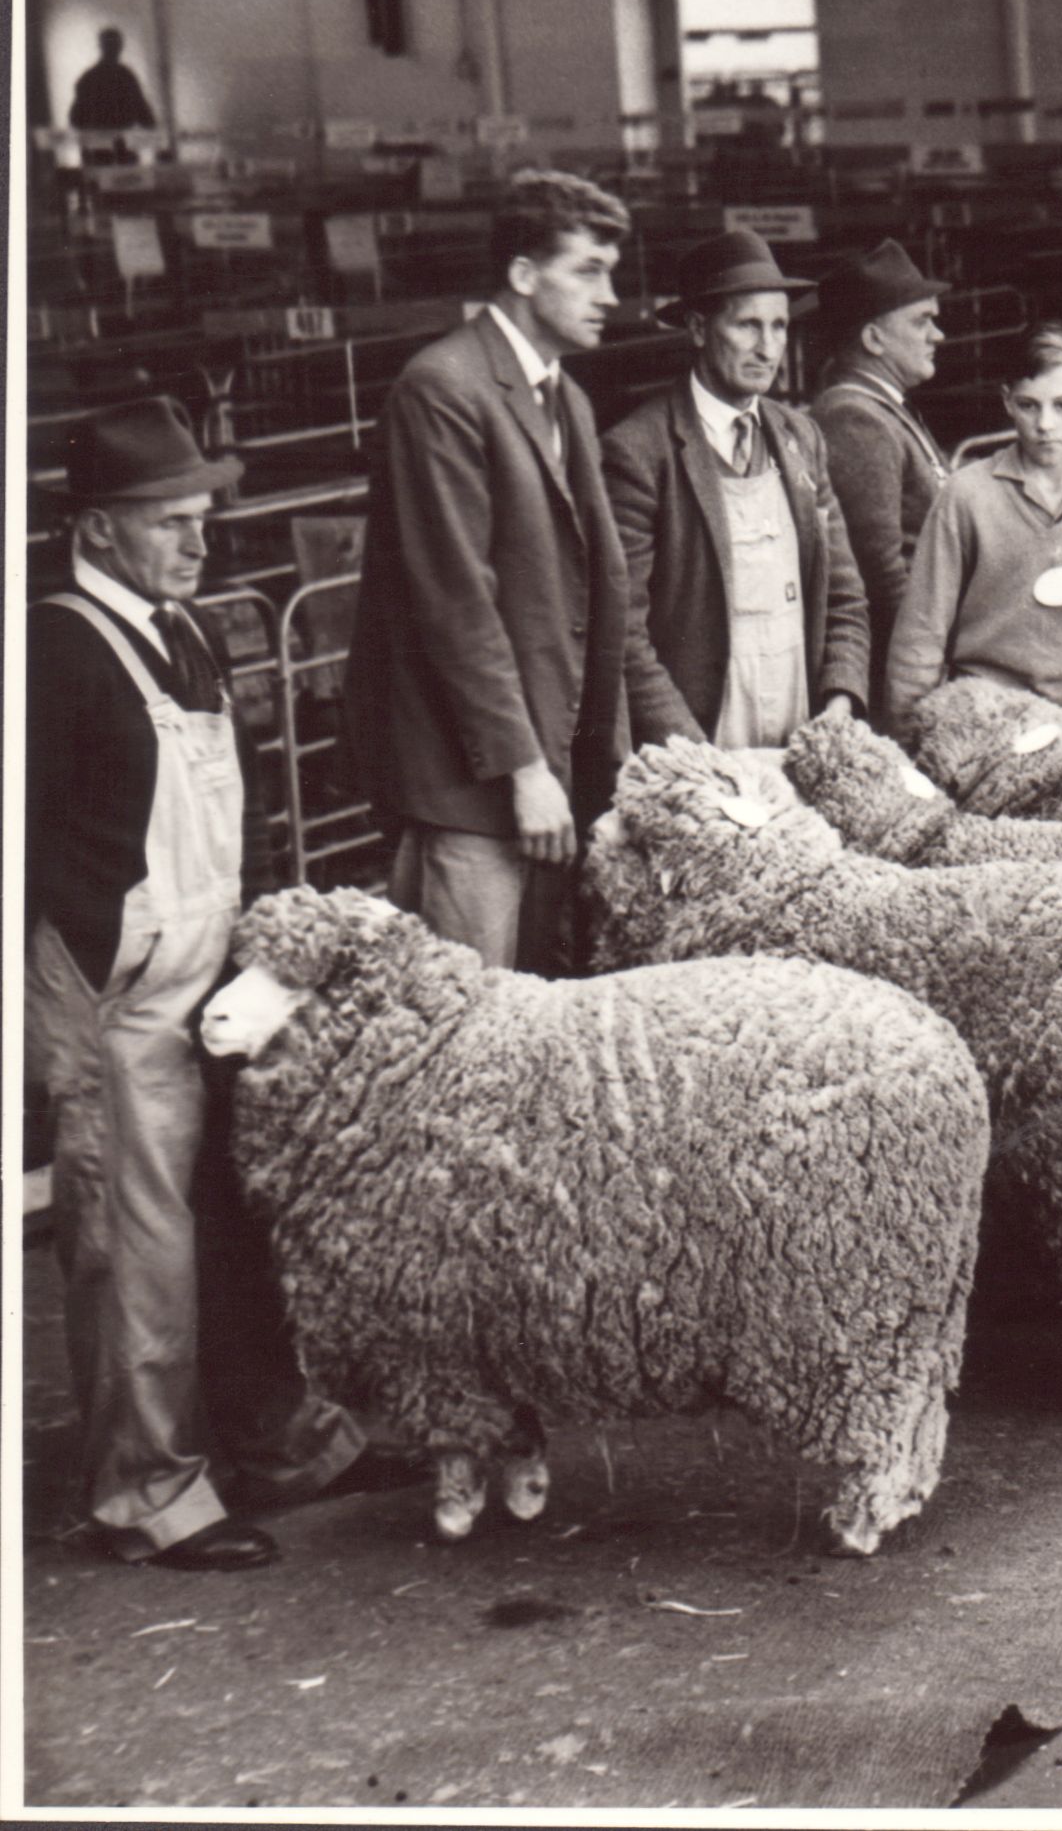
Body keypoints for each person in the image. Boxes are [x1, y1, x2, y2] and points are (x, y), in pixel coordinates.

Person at [31, 402, 384, 1571]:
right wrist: (68, 986)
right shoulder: (54, 651)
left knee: (235, 1218)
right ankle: (151, 1492)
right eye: (170, 522)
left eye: (202, 517)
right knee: (137, 1240)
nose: (200, 542)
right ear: (96, 526)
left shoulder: (186, 632)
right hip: (115, 987)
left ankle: (287, 1446)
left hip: (209, 971)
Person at [345, 168, 639, 975]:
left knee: (531, 1028)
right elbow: (455, 603)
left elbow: (599, 590)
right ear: (520, 274)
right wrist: (524, 770)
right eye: (587, 270)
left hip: (550, 774)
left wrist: (604, 764)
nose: (609, 294)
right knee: (462, 1036)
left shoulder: (565, 399)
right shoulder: (442, 388)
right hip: (474, 788)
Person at [601, 227, 871, 752]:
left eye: (779, 326)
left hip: (801, 736)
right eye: (749, 326)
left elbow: (844, 596)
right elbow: (624, 634)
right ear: (699, 328)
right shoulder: (638, 452)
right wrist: (693, 756)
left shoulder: (800, 436)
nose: (769, 348)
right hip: (700, 745)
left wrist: (840, 699)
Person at [884, 322, 1062, 750]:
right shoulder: (966, 496)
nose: (1045, 424)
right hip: (979, 728)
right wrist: (914, 744)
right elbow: (921, 634)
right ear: (1008, 403)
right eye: (1029, 405)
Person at [807, 238, 953, 710]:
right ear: (873, 339)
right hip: (907, 678)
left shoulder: (884, 408)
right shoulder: (855, 417)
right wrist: (936, 666)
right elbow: (880, 573)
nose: (938, 335)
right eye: (922, 321)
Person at [69, 26, 157, 142]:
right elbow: (142, 110)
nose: (115, 49)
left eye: (115, 45)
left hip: (103, 145)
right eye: (112, 46)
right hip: (113, 144)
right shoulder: (125, 76)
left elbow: (76, 119)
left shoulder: (89, 78)